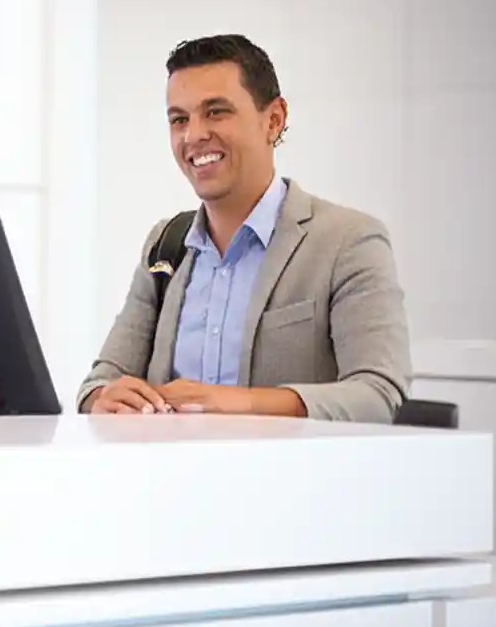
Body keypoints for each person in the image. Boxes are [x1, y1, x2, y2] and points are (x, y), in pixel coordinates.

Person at [78, 34, 410, 423]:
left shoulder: (349, 241)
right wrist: (105, 397)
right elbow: (96, 384)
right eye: (179, 119)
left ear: (274, 120)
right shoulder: (166, 245)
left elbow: (377, 394)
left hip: (289, 480)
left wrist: (238, 403)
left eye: (216, 112)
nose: (194, 135)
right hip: (171, 480)